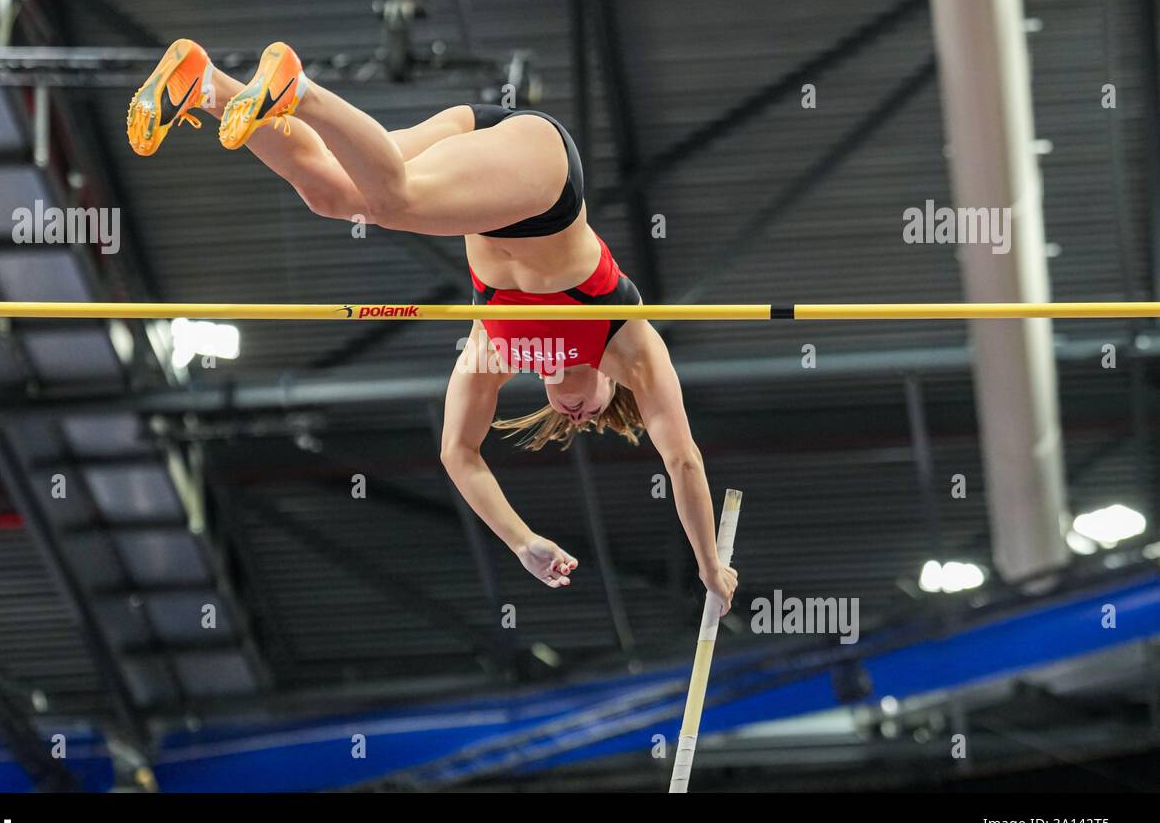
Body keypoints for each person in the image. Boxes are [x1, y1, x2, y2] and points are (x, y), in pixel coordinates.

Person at [127, 39, 739, 613]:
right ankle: (300, 89)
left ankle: (206, 85)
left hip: (483, 147)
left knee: (335, 195)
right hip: (544, 177)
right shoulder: (628, 342)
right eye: (593, 414)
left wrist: (522, 541)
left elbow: (460, 453)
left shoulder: (493, 354)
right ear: (613, 387)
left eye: (568, 420)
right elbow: (682, 458)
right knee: (390, 201)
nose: (577, 414)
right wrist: (709, 564)